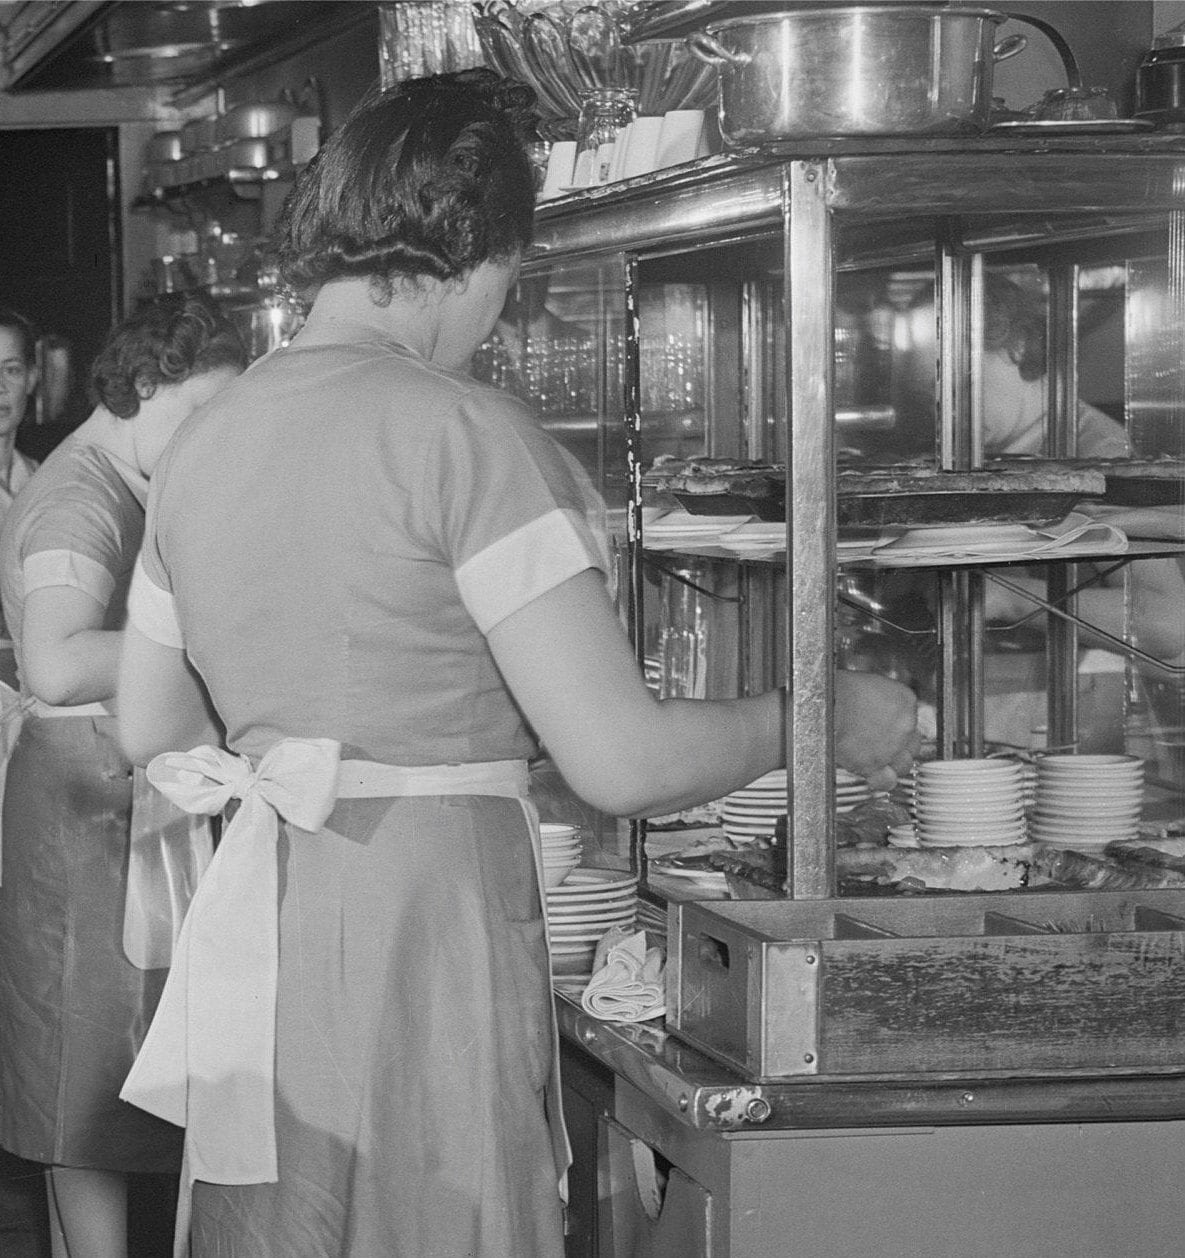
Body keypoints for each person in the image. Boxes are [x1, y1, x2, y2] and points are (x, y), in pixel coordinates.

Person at [113, 70, 919, 1258]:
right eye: (509, 278)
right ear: (469, 254)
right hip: (425, 923)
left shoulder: (201, 444)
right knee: (444, 1213)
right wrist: (818, 715)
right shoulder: (467, 435)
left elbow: (147, 728)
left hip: (268, 911)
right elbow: (622, 759)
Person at [0, 295, 246, 1258]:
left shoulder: (110, 477)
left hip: (99, 803)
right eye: (198, 414)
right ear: (146, 384)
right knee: (82, 1098)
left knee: (94, 1093)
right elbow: (55, 661)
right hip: (78, 811)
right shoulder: (76, 493)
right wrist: (199, 636)